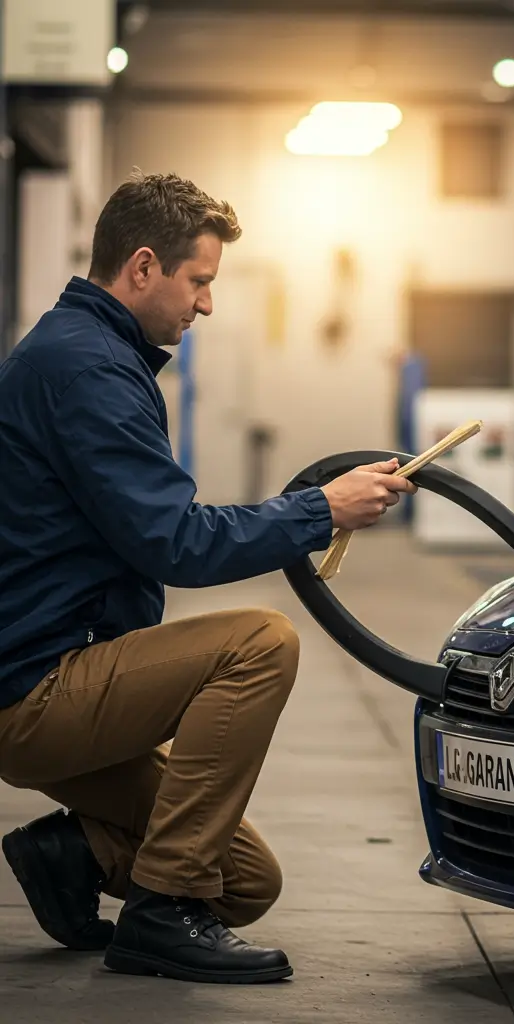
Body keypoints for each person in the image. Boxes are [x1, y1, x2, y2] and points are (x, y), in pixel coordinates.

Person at [0, 170, 416, 984]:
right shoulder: (86, 370)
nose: (207, 304)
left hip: (48, 675)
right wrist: (319, 510)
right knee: (259, 641)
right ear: (144, 267)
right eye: (201, 282)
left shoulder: (90, 355)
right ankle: (158, 920)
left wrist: (310, 510)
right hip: (34, 690)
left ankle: (68, 854)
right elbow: (176, 543)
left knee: (246, 882)